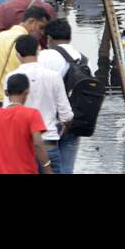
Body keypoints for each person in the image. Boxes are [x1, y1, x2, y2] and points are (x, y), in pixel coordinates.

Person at [5, 34, 74, 171]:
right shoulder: (54, 76)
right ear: (38, 49)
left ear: (18, 54)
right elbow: (66, 116)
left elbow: (8, 111)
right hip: (48, 144)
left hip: (21, 148)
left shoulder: (11, 77)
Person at [0, 72, 53, 174]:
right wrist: (48, 169)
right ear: (26, 92)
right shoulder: (32, 114)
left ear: (6, 93)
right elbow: (38, 144)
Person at [37, 18, 86, 172]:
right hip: (73, 119)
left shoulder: (44, 57)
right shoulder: (82, 59)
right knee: (67, 168)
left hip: (48, 120)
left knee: (47, 166)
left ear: (49, 38)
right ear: (70, 37)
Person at [0, 4, 51, 104]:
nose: (41, 32)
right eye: (41, 27)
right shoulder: (30, 43)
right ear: (32, 22)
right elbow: (34, 74)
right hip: (18, 100)